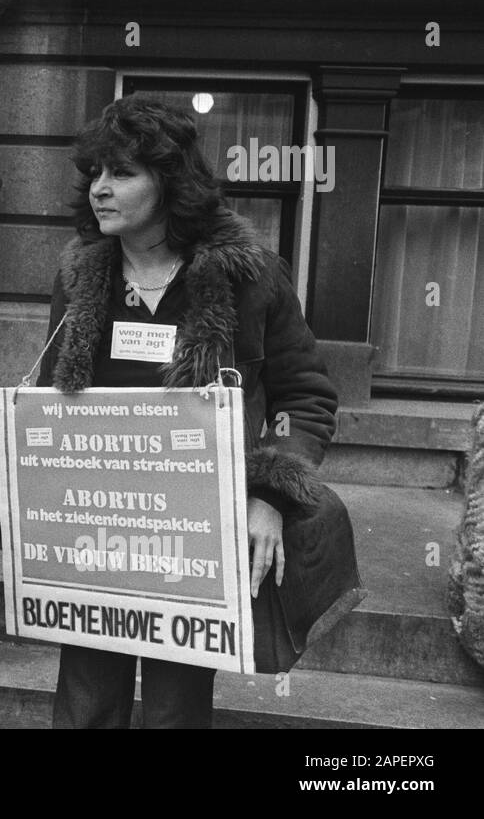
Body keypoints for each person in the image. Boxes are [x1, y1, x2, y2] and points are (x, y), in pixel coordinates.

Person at [32, 94, 359, 728]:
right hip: (98, 524)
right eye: (95, 172)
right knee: (85, 702)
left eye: (121, 173)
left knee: (174, 710)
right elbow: (50, 399)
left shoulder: (248, 275)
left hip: (195, 531)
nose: (100, 188)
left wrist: (269, 494)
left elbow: (306, 396)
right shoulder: (80, 276)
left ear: (170, 183)